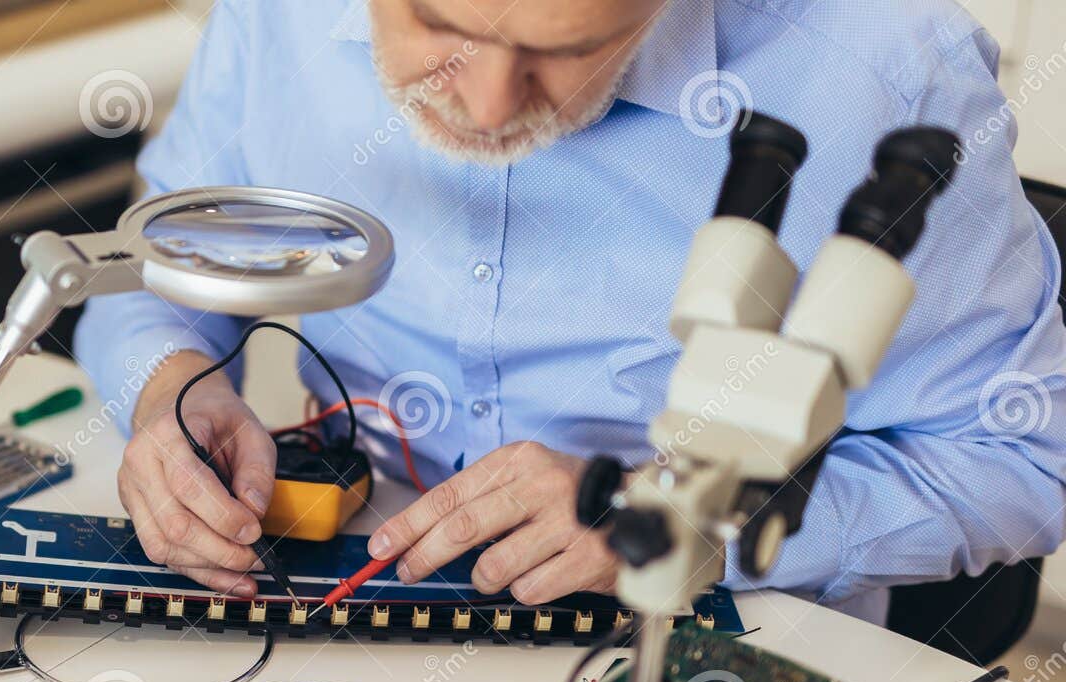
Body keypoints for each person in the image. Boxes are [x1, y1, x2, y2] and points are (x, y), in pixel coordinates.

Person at [74, 0, 1066, 623]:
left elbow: (1026, 455)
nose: (494, 105)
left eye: (572, 47)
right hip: (340, 596)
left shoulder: (884, 75)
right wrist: (162, 389)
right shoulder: (273, 15)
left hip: (725, 632)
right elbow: (153, 267)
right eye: (441, 23)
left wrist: (684, 518)